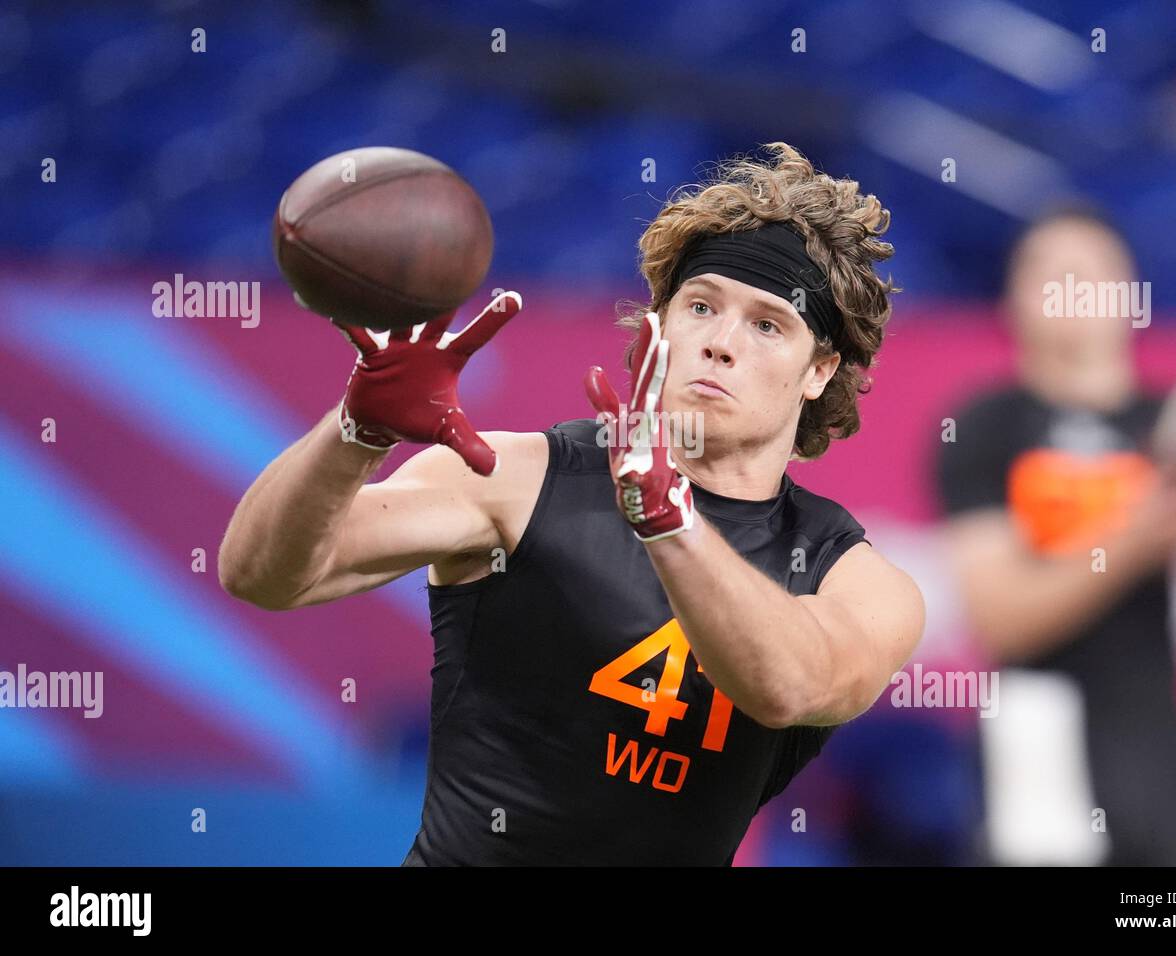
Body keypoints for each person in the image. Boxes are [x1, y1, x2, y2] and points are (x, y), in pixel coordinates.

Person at [218, 142, 924, 866]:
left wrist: (668, 519)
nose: (719, 343)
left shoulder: (857, 580)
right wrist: (354, 431)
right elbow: (262, 575)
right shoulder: (513, 477)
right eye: (701, 306)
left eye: (767, 324)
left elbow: (787, 685)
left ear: (821, 370)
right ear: (658, 327)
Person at [935, 207, 1176, 866]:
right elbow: (1000, 619)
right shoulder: (986, 426)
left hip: (1156, 737)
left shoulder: (1174, 426)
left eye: (1087, 275)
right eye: (1049, 274)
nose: (1068, 293)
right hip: (1037, 739)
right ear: (1013, 298)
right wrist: (1135, 537)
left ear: (1128, 294)